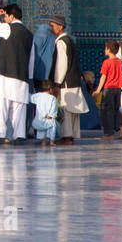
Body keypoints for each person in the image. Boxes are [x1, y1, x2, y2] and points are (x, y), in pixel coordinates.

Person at [0, 4, 32, 144]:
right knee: (18, 109)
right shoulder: (29, 34)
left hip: (4, 76)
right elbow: (32, 59)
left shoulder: (8, 28)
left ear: (11, 16)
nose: (4, 19)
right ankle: (19, 136)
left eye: (5, 16)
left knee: (0, 105)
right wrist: (28, 77)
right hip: (21, 77)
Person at [49, 15, 87, 145]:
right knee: (73, 110)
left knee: (66, 109)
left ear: (60, 27)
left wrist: (57, 83)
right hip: (73, 80)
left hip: (66, 82)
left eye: (53, 26)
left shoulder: (61, 42)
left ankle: (67, 136)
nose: (51, 28)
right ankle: (71, 136)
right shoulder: (69, 40)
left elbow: (61, 64)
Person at [98, 40, 122, 140]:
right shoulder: (119, 62)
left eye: (105, 48)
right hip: (118, 89)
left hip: (108, 89)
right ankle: (121, 126)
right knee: (116, 110)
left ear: (108, 49)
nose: (105, 50)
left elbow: (103, 77)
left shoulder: (107, 62)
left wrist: (98, 90)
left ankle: (109, 134)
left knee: (106, 111)